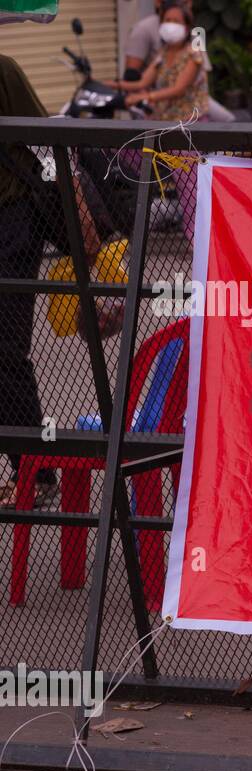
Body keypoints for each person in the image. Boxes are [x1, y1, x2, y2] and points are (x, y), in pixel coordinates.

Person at [0, 56, 117, 508]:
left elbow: (49, 145)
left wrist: (81, 222)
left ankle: (36, 474)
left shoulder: (5, 70)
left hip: (11, 220)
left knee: (6, 351)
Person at [111, 1, 209, 122]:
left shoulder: (194, 53)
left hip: (189, 122)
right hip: (166, 121)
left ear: (187, 27)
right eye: (167, 20)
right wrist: (113, 85)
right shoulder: (163, 53)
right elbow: (143, 83)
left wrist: (145, 97)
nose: (171, 25)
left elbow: (178, 90)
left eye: (176, 21)